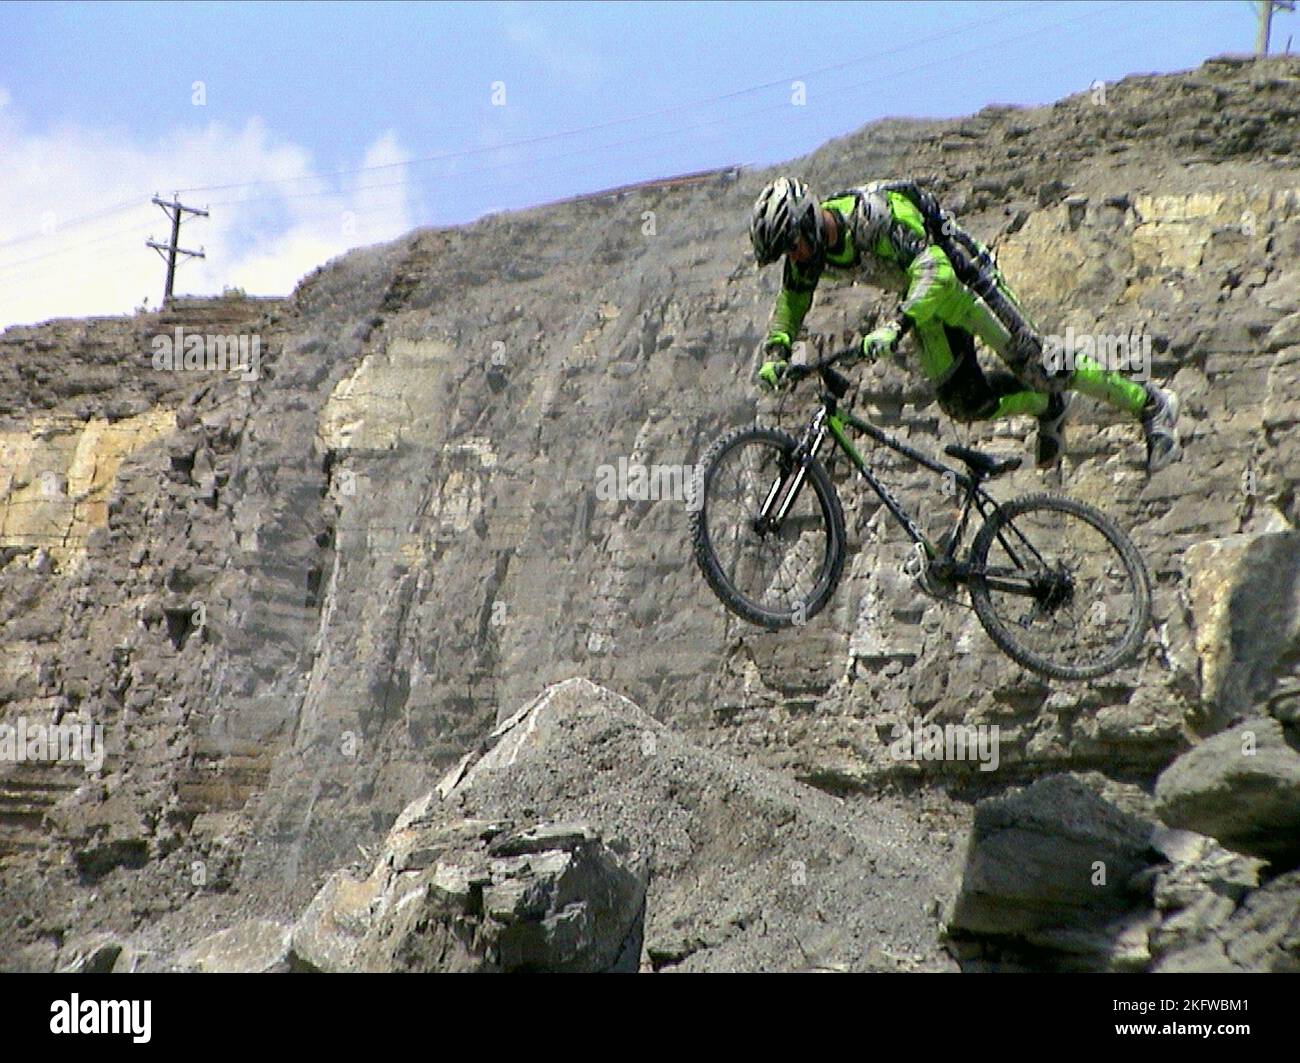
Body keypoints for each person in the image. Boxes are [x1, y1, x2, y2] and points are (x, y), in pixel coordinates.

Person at [749, 176, 1181, 472]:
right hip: (925, 303)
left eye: (794, 246)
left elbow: (933, 265)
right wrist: (776, 353)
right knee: (964, 403)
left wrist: (896, 327)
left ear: (807, 220)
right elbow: (791, 302)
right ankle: (1047, 408)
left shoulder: (871, 216)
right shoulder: (807, 256)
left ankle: (1151, 405)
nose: (796, 257)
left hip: (965, 282)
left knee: (1042, 367)